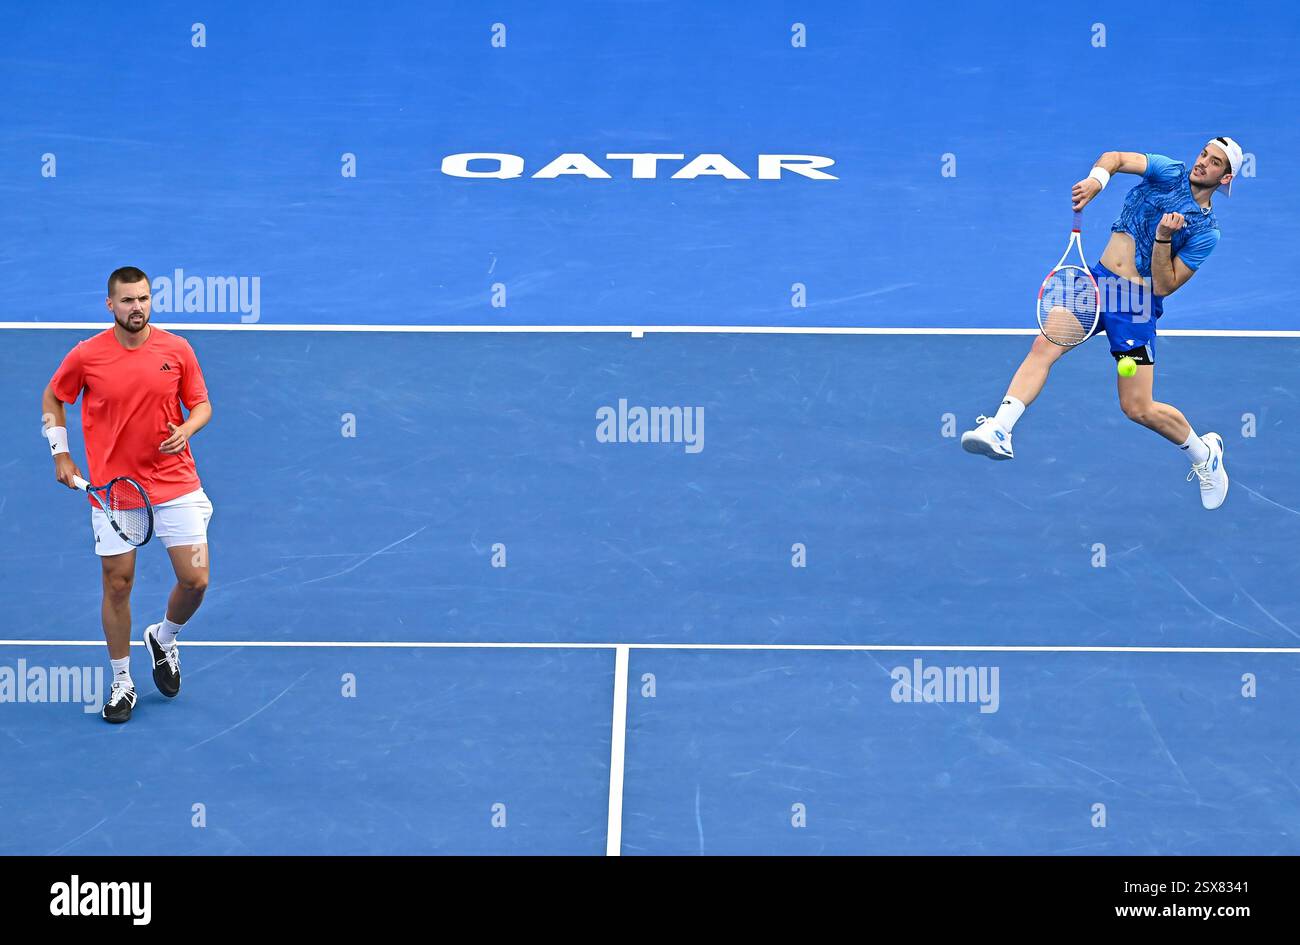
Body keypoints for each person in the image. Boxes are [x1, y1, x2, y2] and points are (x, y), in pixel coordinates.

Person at [961, 138, 1242, 510]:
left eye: (1214, 162)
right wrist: (1098, 179)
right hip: (1097, 283)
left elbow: (1164, 285)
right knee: (1044, 345)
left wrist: (1163, 238)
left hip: (1136, 303)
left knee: (1138, 408)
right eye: (1204, 154)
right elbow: (1116, 157)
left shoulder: (1206, 232)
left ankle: (1204, 454)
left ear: (1225, 177)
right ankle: (1001, 427)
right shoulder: (1168, 171)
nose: (1203, 162)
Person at [42, 266, 214, 722]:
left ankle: (165, 637)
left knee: (196, 581)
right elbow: (54, 397)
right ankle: (122, 682)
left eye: (143, 299)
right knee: (118, 585)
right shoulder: (87, 355)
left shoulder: (176, 350)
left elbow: (201, 403)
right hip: (116, 493)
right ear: (110, 305)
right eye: (127, 300)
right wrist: (60, 452)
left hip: (175, 481)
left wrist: (188, 428)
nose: (136, 307)